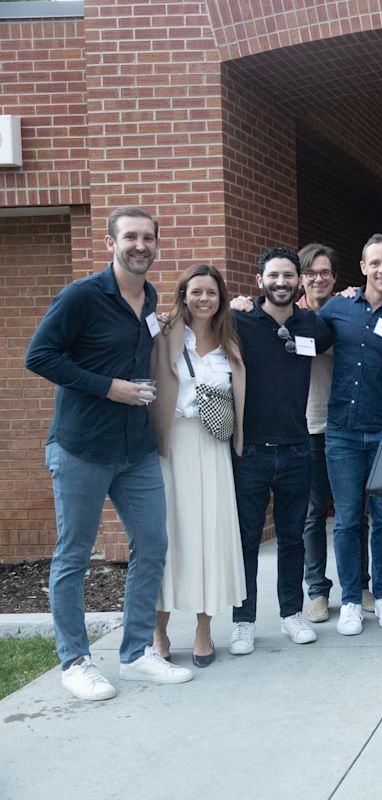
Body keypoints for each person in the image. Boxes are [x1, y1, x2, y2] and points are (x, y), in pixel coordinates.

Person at [26, 205, 193, 700]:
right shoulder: (81, 296)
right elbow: (39, 356)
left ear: (156, 246)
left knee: (153, 544)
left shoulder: (149, 298)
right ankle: (75, 661)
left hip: (135, 448)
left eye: (148, 239)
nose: (140, 246)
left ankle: (137, 652)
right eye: (131, 238)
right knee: (74, 555)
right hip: (81, 446)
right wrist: (108, 388)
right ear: (111, 243)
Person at [228, 248, 334, 656]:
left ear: (299, 281)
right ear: (260, 281)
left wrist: (345, 296)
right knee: (247, 540)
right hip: (250, 451)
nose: (282, 282)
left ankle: (292, 613)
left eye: (289, 275)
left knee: (293, 537)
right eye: (274, 275)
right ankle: (243, 620)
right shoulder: (238, 321)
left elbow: (338, 328)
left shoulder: (312, 324)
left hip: (297, 448)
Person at [317, 234, 382, 636]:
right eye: (375, 263)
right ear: (363, 267)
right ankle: (353, 601)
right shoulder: (337, 308)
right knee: (345, 520)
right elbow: (302, 325)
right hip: (340, 432)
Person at [149, 264, 247, 668]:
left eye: (211, 292)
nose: (203, 299)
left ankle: (204, 630)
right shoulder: (163, 332)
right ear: (183, 295)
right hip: (171, 446)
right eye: (196, 292)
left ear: (221, 298)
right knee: (168, 538)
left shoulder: (231, 340)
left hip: (213, 448)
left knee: (209, 537)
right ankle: (158, 631)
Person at [295, 244, 370, 624]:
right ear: (300, 277)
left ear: (336, 277)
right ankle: (317, 590)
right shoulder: (290, 315)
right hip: (309, 424)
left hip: (349, 423)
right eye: (311, 273)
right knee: (314, 513)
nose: (318, 278)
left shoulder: (349, 310)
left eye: (325, 272)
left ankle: (361, 584)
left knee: (356, 511)